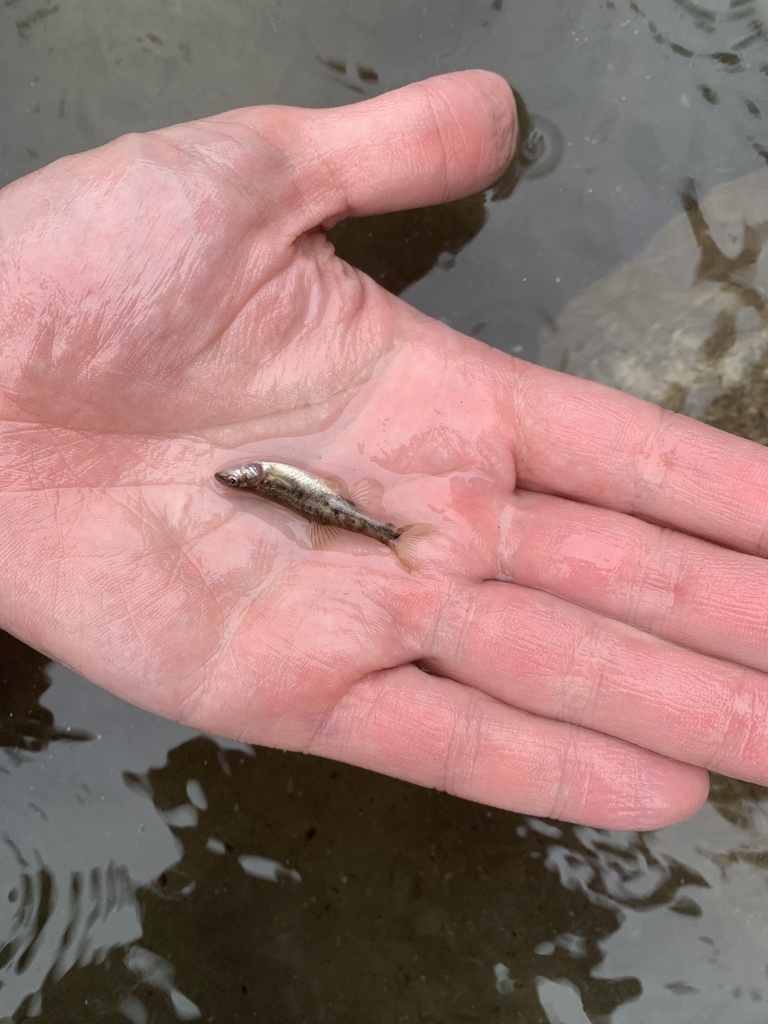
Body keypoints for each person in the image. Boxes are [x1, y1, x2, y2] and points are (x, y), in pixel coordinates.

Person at [1, 70, 766, 830]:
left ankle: (391, 538)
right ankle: (391, 538)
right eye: (242, 479)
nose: (242, 477)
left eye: (240, 477)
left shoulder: (265, 477)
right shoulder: (266, 480)